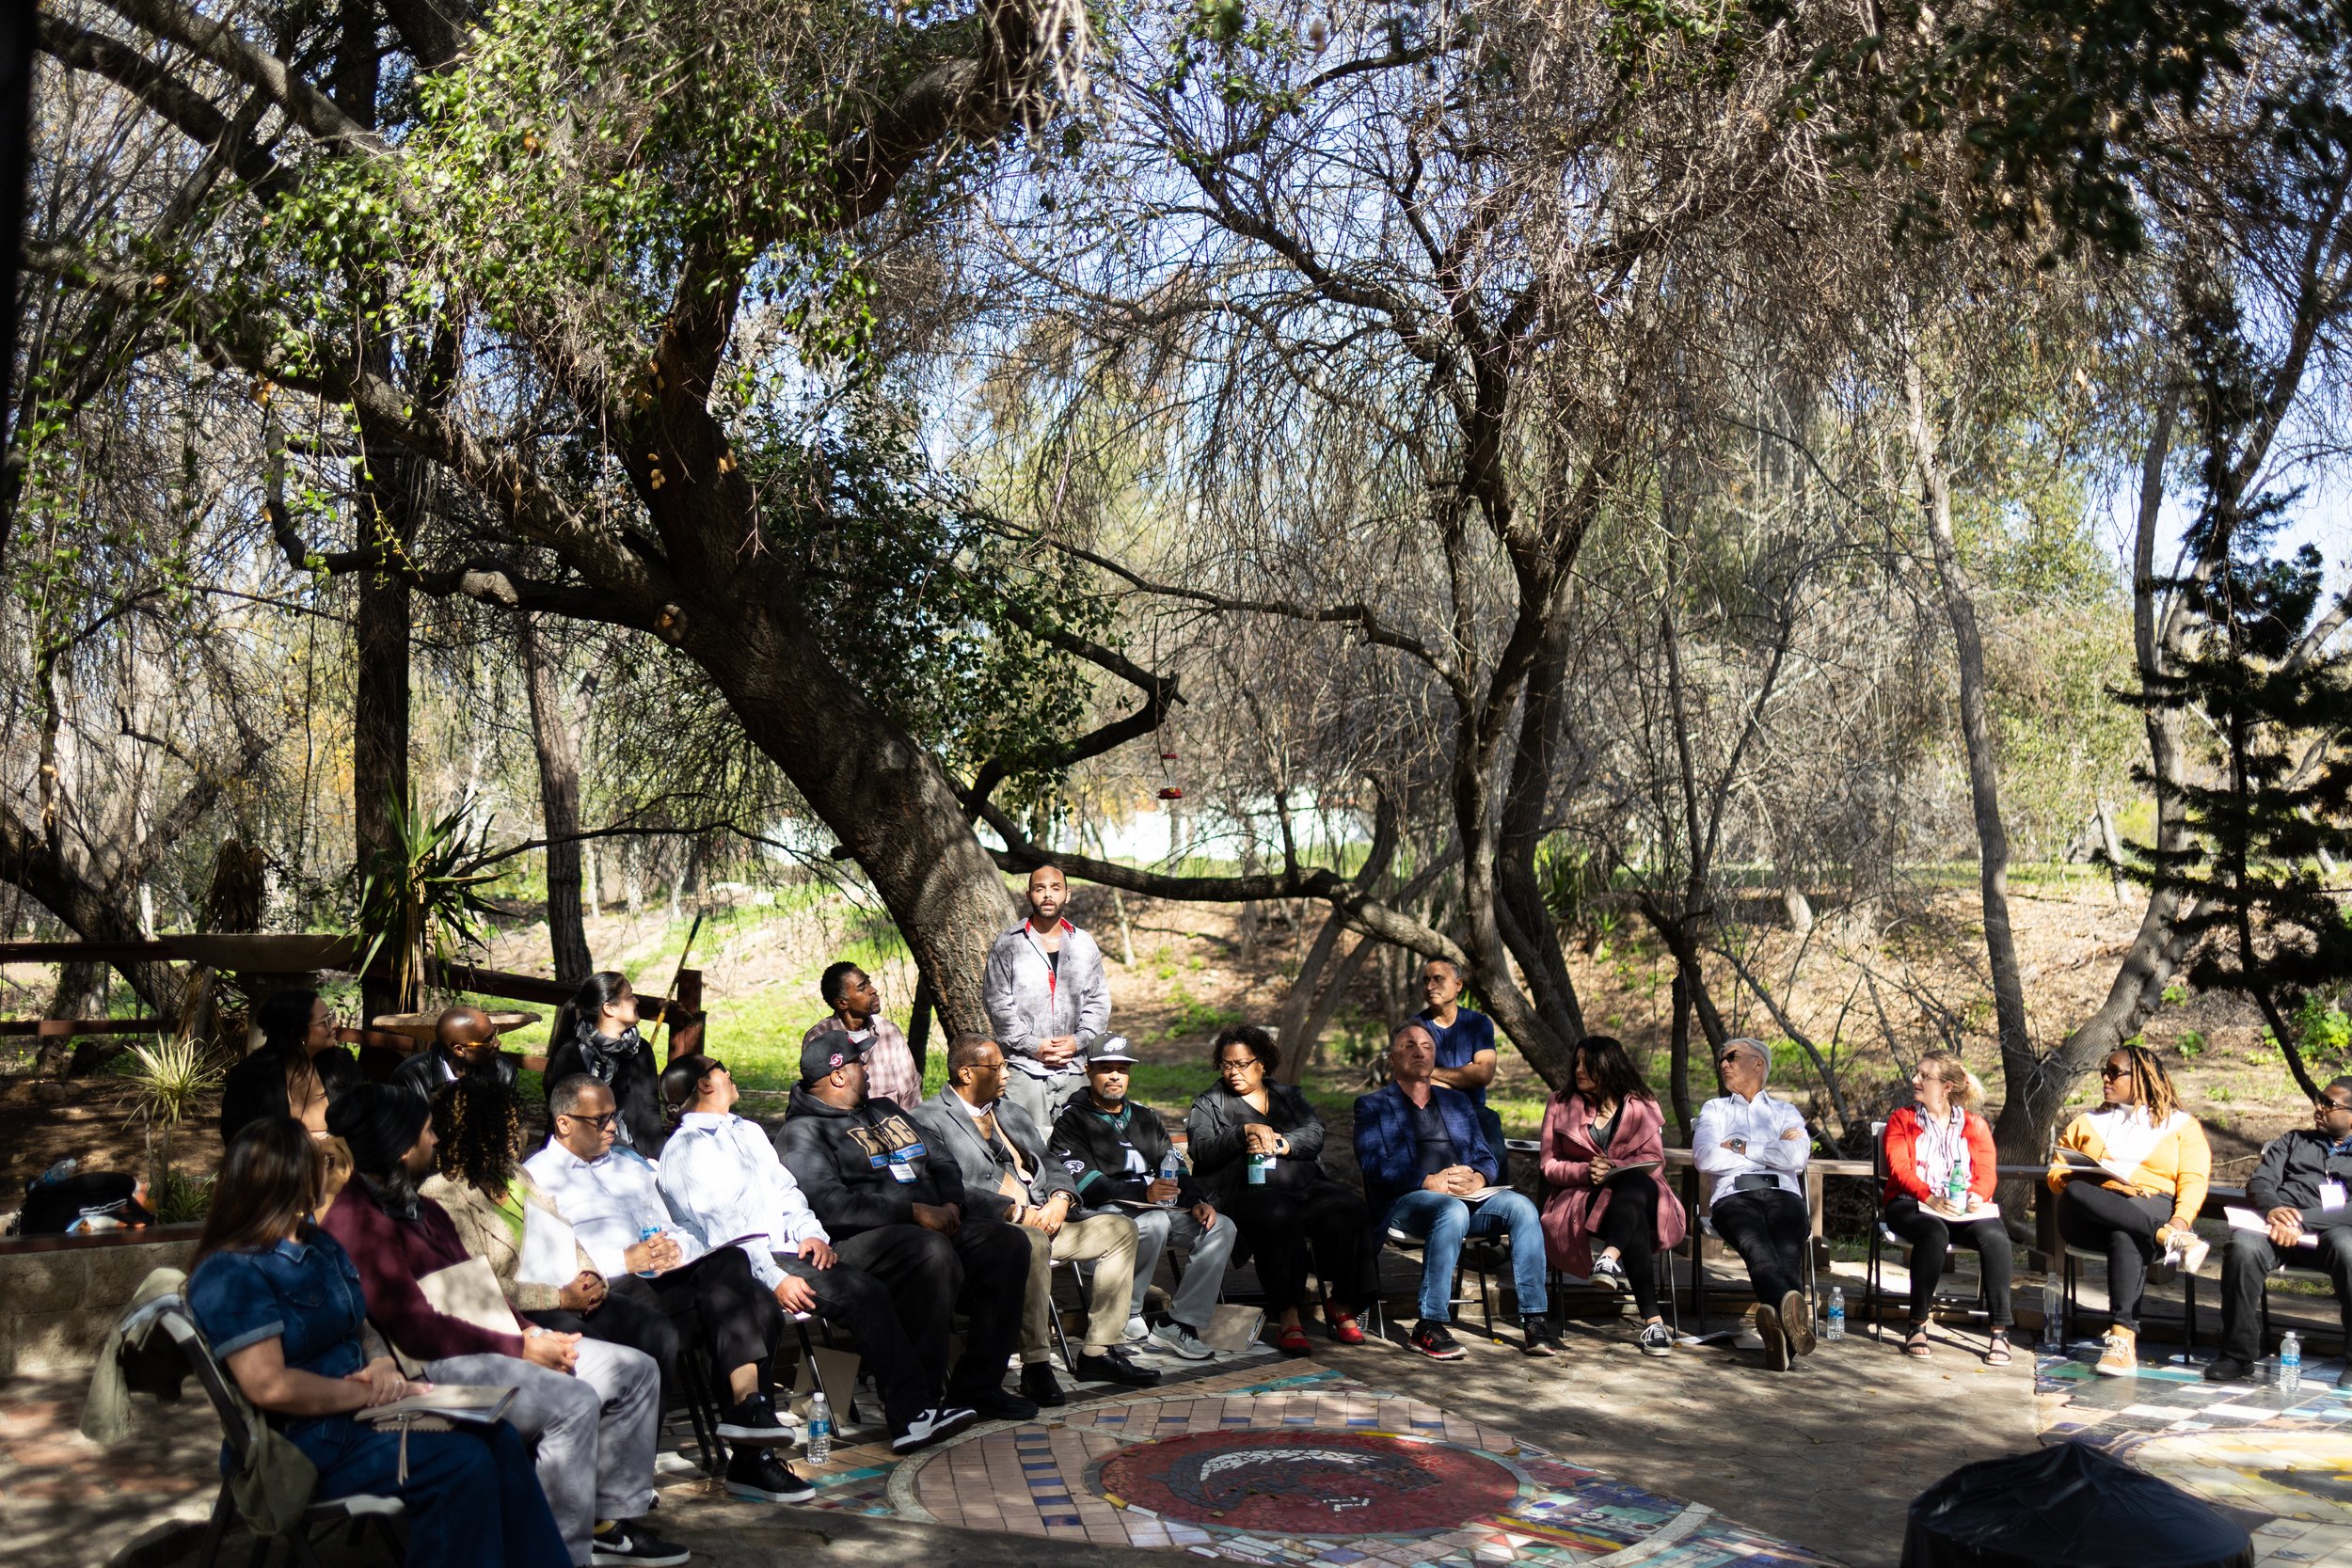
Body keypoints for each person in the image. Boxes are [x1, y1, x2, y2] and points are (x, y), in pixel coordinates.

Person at [184, 1117, 574, 1568]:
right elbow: (269, 1387)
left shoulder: (317, 1245)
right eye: (318, 1163)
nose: (329, 1170)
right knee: (460, 1464)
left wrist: (381, 1365)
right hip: (307, 1443)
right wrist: (370, 1392)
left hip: (365, 1414)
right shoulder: (232, 1273)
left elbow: (359, 1322)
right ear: (289, 1176)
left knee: (499, 1436)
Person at [318, 1084, 679, 1564]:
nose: (437, 1141)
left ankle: (606, 1518)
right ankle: (562, 1554)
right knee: (573, 1402)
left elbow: (478, 1284)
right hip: (434, 1364)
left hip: (487, 1341)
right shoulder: (359, 1222)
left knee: (635, 1369)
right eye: (427, 1133)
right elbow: (415, 1329)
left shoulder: (420, 1209)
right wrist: (520, 1345)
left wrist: (530, 1330)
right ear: (402, 1148)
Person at [656, 1053, 977, 1454]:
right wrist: (775, 1278)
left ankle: (917, 1411)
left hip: (790, 1249)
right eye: (722, 1067)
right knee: (863, 1294)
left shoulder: (747, 1130)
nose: (729, 1071)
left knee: (882, 1280)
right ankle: (911, 1413)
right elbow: (725, 1233)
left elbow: (787, 1191)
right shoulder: (687, 1150)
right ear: (705, 1084)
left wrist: (811, 1233)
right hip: (742, 1267)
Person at [522, 1075, 814, 1502]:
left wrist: (677, 1249)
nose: (611, 1128)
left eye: (614, 1117)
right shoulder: (538, 1179)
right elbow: (548, 1266)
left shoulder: (629, 1164)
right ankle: (750, 1437)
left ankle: (750, 1431)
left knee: (737, 1271)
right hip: (608, 1293)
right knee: (752, 1304)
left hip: (667, 1281)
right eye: (599, 1120)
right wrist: (625, 1261)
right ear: (564, 1124)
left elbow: (681, 1226)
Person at [776, 1030, 1039, 1421]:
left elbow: (943, 1160)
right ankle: (923, 1403)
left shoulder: (884, 1110)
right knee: (928, 1252)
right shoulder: (803, 1133)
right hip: (859, 1242)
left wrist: (951, 1203)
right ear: (838, 1076)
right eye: (859, 1064)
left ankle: (979, 1385)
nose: (868, 1070)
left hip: (932, 1222)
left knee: (1008, 1243)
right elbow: (832, 1206)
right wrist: (913, 1212)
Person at [915, 1036, 1160, 1403]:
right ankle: (1036, 1365)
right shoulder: (928, 1119)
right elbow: (948, 1189)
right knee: (1031, 1241)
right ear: (966, 1073)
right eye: (998, 1067)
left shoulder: (1011, 1111)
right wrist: (1015, 1212)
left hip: (1047, 1216)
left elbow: (1050, 1162)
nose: (1007, 1073)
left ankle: (1099, 1350)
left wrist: (1061, 1198)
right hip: (994, 1230)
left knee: (1120, 1229)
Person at [419, 1076, 683, 1404]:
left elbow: (563, 1231)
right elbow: (481, 1287)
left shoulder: (516, 1175)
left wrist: (591, 1276)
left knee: (658, 1331)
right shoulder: (444, 1194)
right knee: (605, 1355)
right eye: (508, 1125)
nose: (518, 1135)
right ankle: (592, 1446)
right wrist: (558, 1296)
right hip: (526, 1311)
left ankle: (636, 1450)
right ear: (478, 1130)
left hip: (571, 1293)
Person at [1357, 1022, 1557, 1360]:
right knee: (1450, 1210)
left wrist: (1479, 1178)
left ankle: (1534, 1320)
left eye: (1426, 1046)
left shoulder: (1456, 1103)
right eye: (1408, 1046)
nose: (1419, 1051)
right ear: (1391, 1057)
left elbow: (1484, 1156)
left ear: (1435, 1056)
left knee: (1521, 1207)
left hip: (1466, 1198)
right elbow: (1373, 1163)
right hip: (1408, 1203)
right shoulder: (1372, 1105)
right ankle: (1429, 1325)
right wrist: (1428, 1181)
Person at [1187, 1025, 1374, 1355]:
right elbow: (1201, 1150)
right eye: (1227, 1064)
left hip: (1304, 1185)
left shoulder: (1289, 1096)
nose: (1234, 1072)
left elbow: (1315, 1133)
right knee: (1278, 1214)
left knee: (1351, 1209)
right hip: (1247, 1193)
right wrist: (1241, 1132)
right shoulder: (1209, 1103)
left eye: (1242, 1064)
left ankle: (1343, 1302)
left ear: (1263, 1063)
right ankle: (1288, 1314)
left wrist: (1285, 1144)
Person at [1049, 1041, 1232, 1361]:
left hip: (1154, 1207)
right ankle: (1127, 1311)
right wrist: (1141, 1196)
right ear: (1087, 1070)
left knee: (1221, 1226)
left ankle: (1179, 1324)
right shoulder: (1072, 1119)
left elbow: (1174, 1166)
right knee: (1153, 1221)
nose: (1115, 1077)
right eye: (1105, 1069)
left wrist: (1195, 1200)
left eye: (1122, 1070)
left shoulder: (1146, 1117)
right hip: (1101, 1214)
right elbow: (1082, 1181)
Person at [2048, 1043, 2214, 1376]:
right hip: (2088, 1211)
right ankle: (2170, 1238)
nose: (2105, 1079)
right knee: (2077, 1189)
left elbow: (2193, 1179)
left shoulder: (2181, 1125)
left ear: (2139, 1077)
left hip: (2147, 1204)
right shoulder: (2087, 1122)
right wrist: (2099, 1180)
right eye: (2103, 1072)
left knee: (2125, 1234)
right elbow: (2056, 1172)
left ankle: (2122, 1339)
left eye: (2113, 1072)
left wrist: (2180, 1219)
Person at [1538, 1034, 1687, 1359]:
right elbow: (1549, 1166)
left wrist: (1614, 1169)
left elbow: (1655, 1162)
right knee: (1630, 1217)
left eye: (1586, 1063)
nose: (1578, 1069)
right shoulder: (1560, 1103)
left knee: (1634, 1184)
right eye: (1575, 1062)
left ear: (1607, 1066)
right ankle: (1653, 1321)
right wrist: (1587, 1171)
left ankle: (1608, 1259)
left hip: (1642, 1196)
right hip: (1582, 1202)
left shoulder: (1642, 1104)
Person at [2206, 1076, 2352, 1387]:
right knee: (2243, 1246)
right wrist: (2274, 1210)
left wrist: (2300, 1219)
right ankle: (2237, 1356)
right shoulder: (2293, 1141)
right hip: (2276, 1230)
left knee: (2349, 1247)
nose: (2319, 1107)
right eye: (2319, 1099)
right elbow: (2260, 1182)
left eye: (2329, 1104)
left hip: (2332, 1234)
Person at [1881, 1051, 2013, 1365]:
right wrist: (1929, 1197)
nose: (1915, 1080)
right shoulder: (1903, 1120)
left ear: (1947, 1087)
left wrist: (1977, 1196)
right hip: (1912, 1204)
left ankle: (1999, 1331)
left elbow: (1987, 1172)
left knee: (1995, 1238)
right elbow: (1899, 1169)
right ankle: (1917, 1324)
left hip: (1961, 1207)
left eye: (1924, 1076)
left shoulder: (1975, 1125)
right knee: (1933, 1232)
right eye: (1917, 1073)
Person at [1694, 1037, 1816, 1371]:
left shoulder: (1785, 1111)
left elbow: (1797, 1157)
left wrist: (1739, 1146)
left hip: (1784, 1195)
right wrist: (1773, 1149)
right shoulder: (1714, 1109)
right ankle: (1794, 1326)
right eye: (1721, 1059)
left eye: (1732, 1057)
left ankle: (1779, 1332)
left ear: (1758, 1064)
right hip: (1734, 1196)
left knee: (1789, 1255)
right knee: (1759, 1250)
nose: (1723, 1064)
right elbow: (1705, 1157)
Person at [982, 863, 1110, 1123]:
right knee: (1029, 1151)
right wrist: (1034, 1045)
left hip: (1075, 1069)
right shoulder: (1009, 943)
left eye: (1055, 888)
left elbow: (1098, 1001)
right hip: (1023, 1070)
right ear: (1029, 895)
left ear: (1068, 894)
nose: (1048, 895)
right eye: (1040, 889)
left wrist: (1078, 1040)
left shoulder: (1084, 944)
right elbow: (997, 1004)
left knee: (1077, 1149)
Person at [545, 972, 669, 1160]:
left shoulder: (640, 1049)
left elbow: (649, 1112)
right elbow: (571, 1120)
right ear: (609, 1008)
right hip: (580, 1153)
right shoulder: (571, 1054)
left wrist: (659, 1161)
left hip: (633, 1151)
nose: (636, 1001)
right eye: (630, 996)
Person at [219, 989, 358, 1143]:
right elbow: (237, 1138)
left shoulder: (342, 1065)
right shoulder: (250, 1077)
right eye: (325, 1021)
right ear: (296, 1032)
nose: (335, 1025)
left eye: (332, 1016)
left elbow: (362, 1122)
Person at [1417, 958, 1504, 1164]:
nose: (1430, 986)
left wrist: (1431, 1071)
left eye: (1438, 979)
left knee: (1490, 1123)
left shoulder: (1477, 1023)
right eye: (1426, 980)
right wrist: (1465, 1074)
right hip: (1429, 1111)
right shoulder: (1414, 1028)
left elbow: (1484, 1074)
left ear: (1458, 985)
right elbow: (1412, 1078)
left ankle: (1498, 1193)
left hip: (1474, 1110)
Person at [803, 962, 922, 1108]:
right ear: (842, 1003)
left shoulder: (888, 1031)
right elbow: (820, 1100)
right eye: (862, 988)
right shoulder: (818, 1038)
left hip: (890, 1128)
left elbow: (910, 1095)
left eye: (869, 983)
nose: (873, 990)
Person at [396, 1005, 522, 1100]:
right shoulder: (411, 1077)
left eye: (495, 1033)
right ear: (459, 1050)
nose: (498, 1043)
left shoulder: (504, 1071)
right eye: (489, 1040)